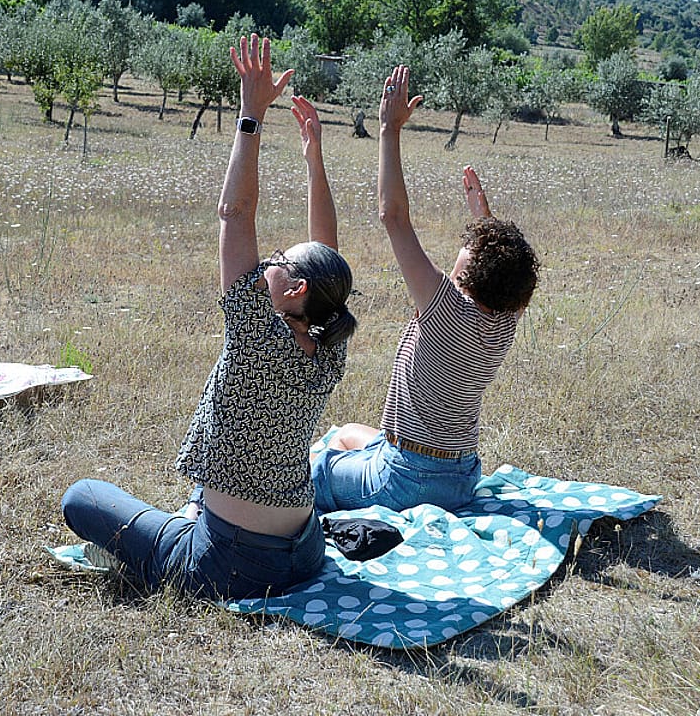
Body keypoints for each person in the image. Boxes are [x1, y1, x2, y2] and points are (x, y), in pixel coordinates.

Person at [61, 35, 357, 600]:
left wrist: (250, 115)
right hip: (304, 552)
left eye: (276, 262)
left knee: (82, 496)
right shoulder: (328, 339)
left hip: (234, 566)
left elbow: (234, 212)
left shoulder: (256, 334)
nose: (265, 260)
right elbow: (328, 256)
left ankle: (164, 552)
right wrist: (313, 158)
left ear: (293, 289)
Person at [311, 64, 540, 515]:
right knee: (348, 433)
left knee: (307, 468)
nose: (463, 246)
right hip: (460, 477)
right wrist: (484, 216)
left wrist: (388, 131)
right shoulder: (506, 317)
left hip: (405, 480)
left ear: (472, 273)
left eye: (469, 246)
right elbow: (500, 264)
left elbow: (392, 217)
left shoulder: (447, 308)